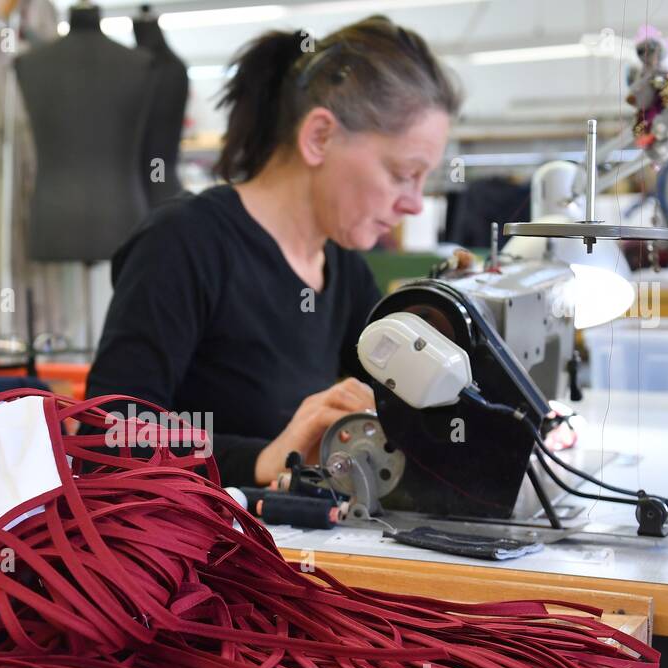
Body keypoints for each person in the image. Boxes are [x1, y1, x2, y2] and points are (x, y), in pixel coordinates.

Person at [84, 15, 460, 486]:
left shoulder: (343, 271)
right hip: (200, 549)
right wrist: (263, 458)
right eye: (404, 173)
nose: (413, 203)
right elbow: (107, 437)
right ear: (319, 137)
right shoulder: (183, 245)